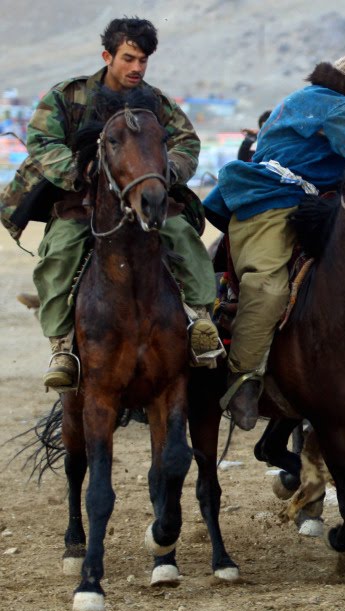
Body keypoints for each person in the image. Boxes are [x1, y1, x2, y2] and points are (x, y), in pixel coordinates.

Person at [0, 17, 222, 391]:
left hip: (143, 198)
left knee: (183, 235)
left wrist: (162, 173)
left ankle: (200, 321)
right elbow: (41, 139)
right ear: (108, 56)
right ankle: (62, 347)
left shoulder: (156, 103)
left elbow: (187, 143)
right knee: (59, 252)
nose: (137, 67)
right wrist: (79, 170)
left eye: (143, 60)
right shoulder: (68, 96)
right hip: (84, 199)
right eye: (129, 58)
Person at [203, 52, 345, 430]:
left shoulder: (317, 102)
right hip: (269, 205)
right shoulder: (329, 103)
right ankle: (242, 377)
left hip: (310, 207)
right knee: (268, 287)